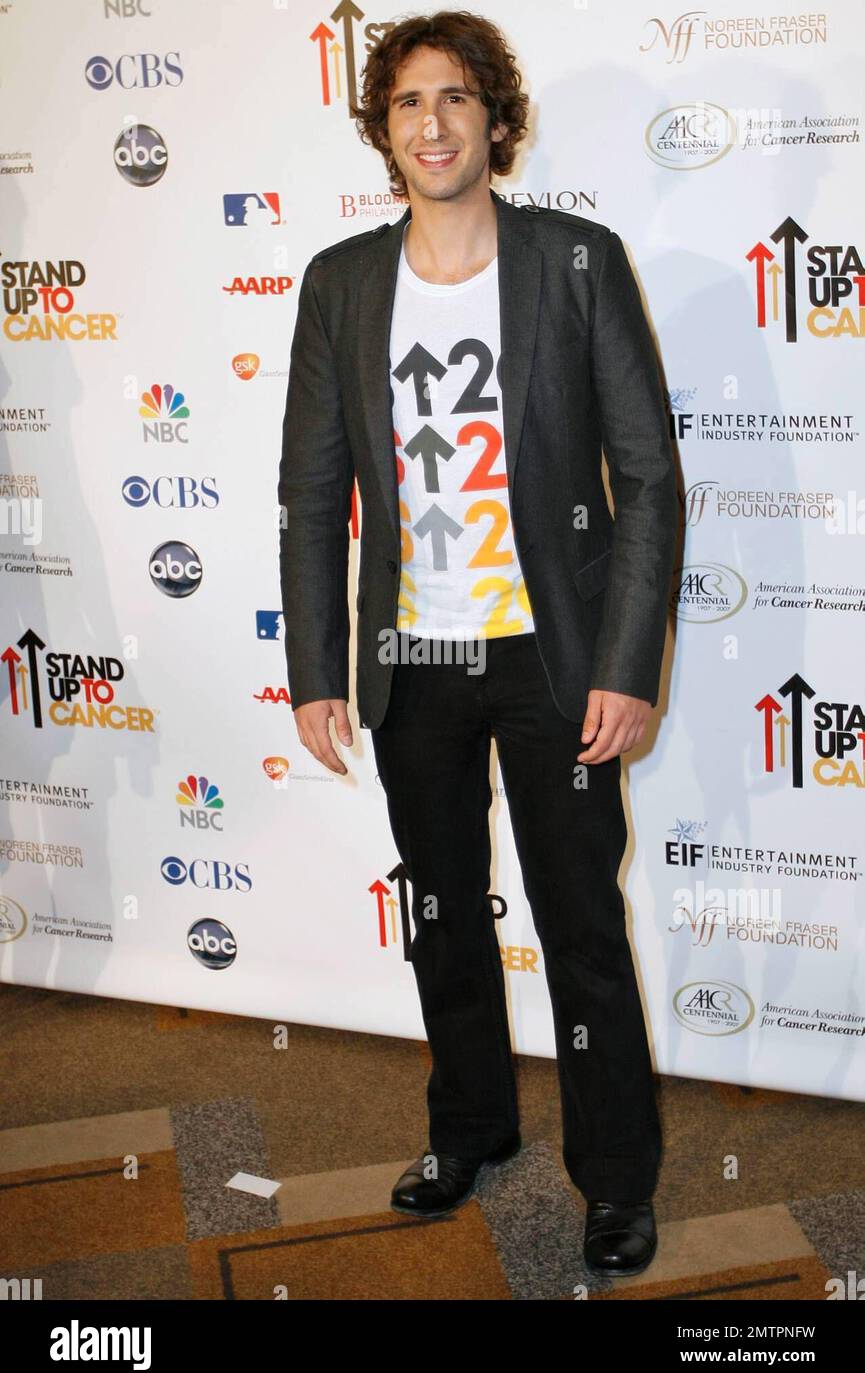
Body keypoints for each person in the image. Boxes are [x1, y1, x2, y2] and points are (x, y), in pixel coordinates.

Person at [277, 11, 678, 1278]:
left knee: (581, 929)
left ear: (494, 120)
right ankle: (470, 1130)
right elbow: (311, 487)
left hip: (550, 659)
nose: (432, 123)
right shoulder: (341, 284)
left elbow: (649, 480)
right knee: (443, 915)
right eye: (406, 103)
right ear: (381, 128)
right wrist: (314, 668)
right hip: (413, 663)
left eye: (455, 99)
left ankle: (614, 1181)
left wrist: (624, 662)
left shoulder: (574, 260)